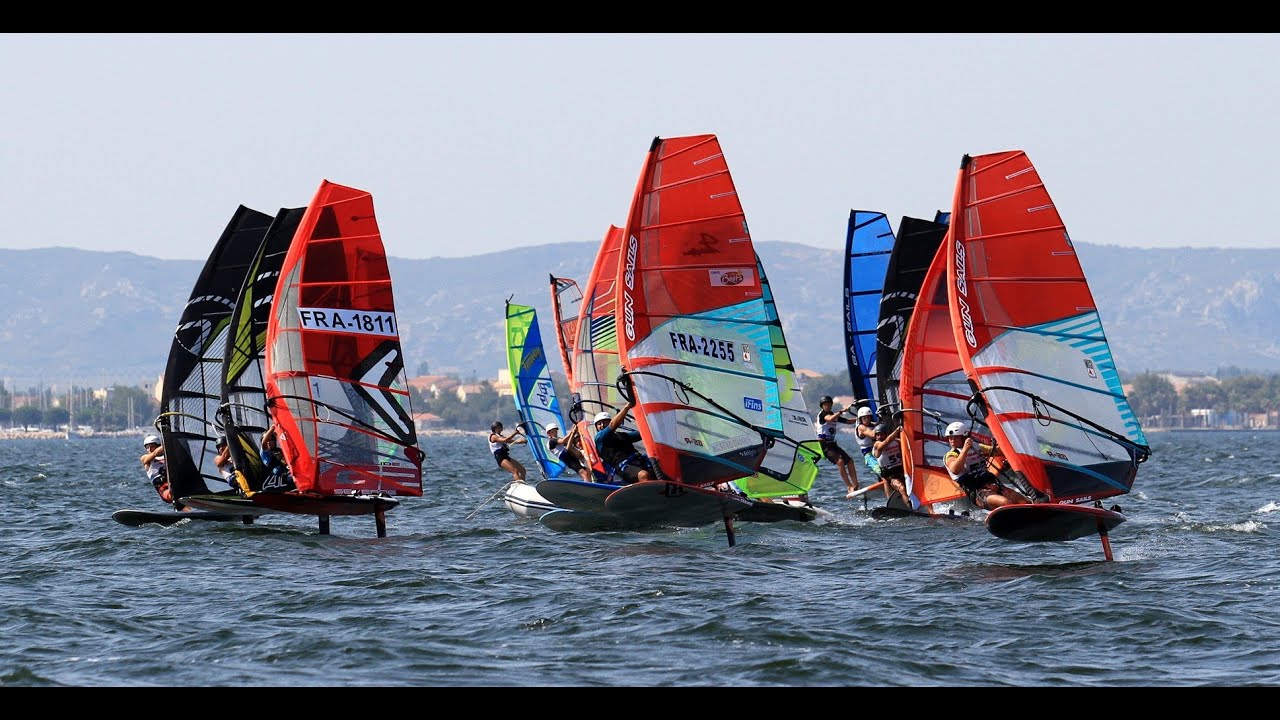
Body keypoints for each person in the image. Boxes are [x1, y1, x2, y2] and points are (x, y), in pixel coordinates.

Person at [942, 421, 1031, 510]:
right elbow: (955, 469)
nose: (952, 440)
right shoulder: (951, 455)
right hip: (978, 492)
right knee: (1005, 503)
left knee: (1025, 502)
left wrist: (1006, 438)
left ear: (964, 437)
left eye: (956, 437)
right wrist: (965, 450)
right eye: (950, 438)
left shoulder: (978, 447)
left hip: (993, 485)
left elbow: (999, 451)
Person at [592, 399, 654, 485]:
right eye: (599, 424)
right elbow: (613, 425)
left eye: (605, 422)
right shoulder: (599, 438)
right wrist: (627, 407)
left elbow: (644, 433)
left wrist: (652, 420)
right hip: (623, 468)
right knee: (644, 475)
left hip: (639, 461)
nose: (602, 425)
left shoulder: (621, 435)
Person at [814, 395, 860, 497]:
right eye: (825, 405)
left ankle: (856, 485)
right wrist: (841, 412)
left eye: (829, 404)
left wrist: (860, 418)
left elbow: (847, 421)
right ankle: (849, 486)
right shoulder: (823, 415)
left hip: (832, 444)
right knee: (840, 462)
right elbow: (830, 419)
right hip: (824, 445)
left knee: (850, 461)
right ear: (822, 406)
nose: (828, 406)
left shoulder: (832, 415)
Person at [871, 422, 910, 507]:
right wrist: (897, 431)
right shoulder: (877, 445)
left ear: (886, 434)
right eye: (877, 435)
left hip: (901, 470)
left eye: (881, 434)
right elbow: (886, 442)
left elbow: (908, 444)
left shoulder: (897, 442)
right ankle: (911, 509)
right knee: (901, 487)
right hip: (890, 475)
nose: (879, 437)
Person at [259, 422, 295, 492]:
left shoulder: (280, 450)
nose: (269, 442)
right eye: (268, 440)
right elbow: (264, 442)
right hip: (276, 477)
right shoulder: (264, 453)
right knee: (277, 469)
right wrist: (273, 427)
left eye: (271, 440)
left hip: (288, 471)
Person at [852, 405, 883, 482]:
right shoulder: (861, 427)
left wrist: (881, 418)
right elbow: (872, 435)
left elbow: (876, 425)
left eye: (868, 417)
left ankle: (885, 483)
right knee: (881, 472)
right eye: (864, 418)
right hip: (869, 455)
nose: (867, 420)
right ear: (861, 419)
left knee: (886, 469)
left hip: (877, 451)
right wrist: (880, 425)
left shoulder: (872, 425)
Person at [140, 434, 173, 505]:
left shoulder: (167, 456)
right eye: (147, 448)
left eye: (151, 447)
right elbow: (154, 454)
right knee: (172, 495)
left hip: (174, 482)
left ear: (157, 446)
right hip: (163, 488)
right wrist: (167, 444)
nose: (149, 450)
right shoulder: (145, 458)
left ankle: (188, 512)